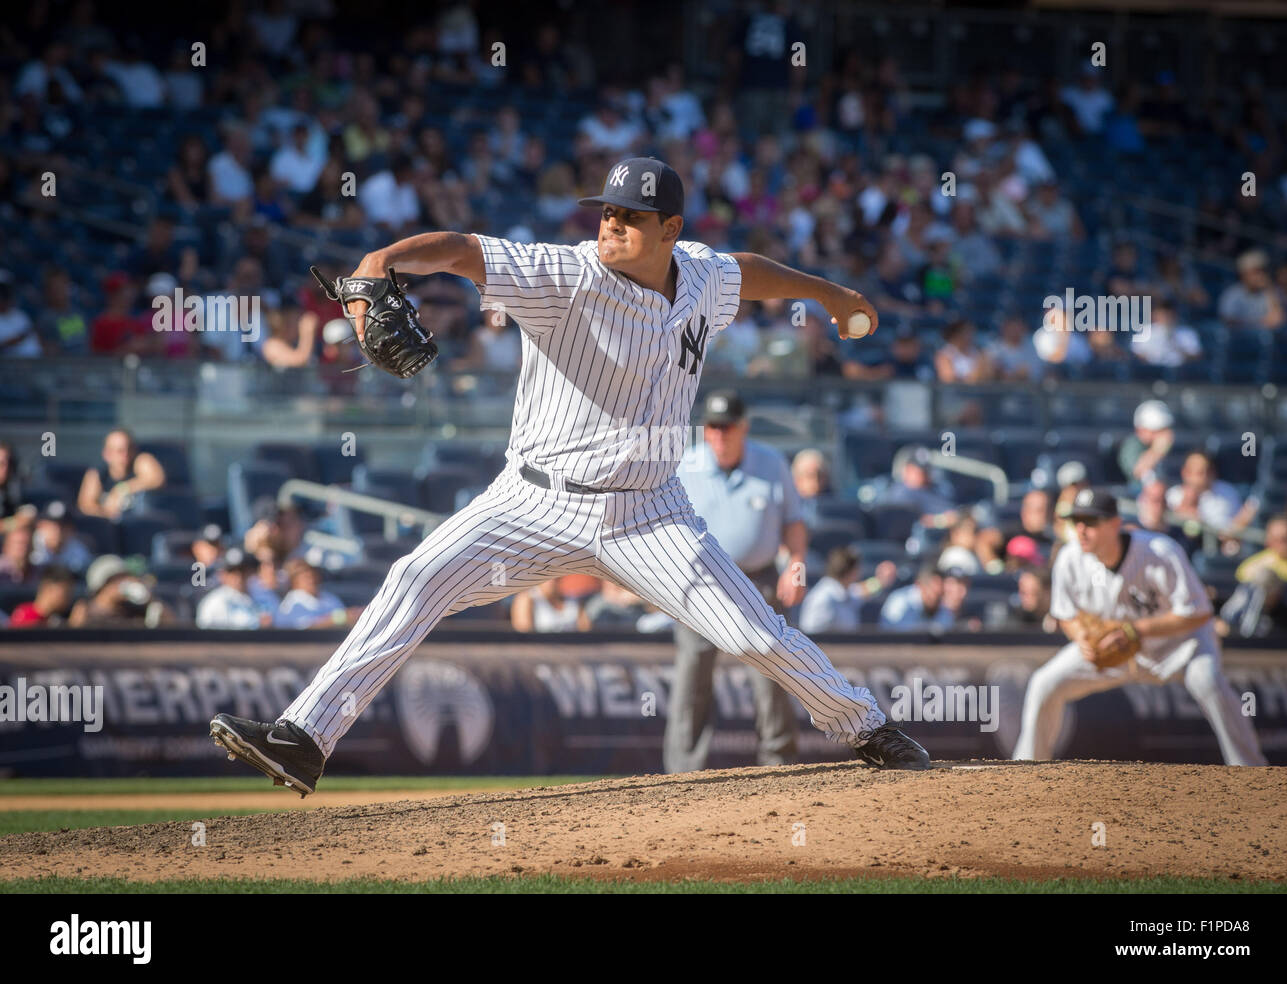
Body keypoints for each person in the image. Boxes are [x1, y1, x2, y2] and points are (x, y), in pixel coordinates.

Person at [210, 155, 929, 797]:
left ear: (671, 228)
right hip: (532, 502)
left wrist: (830, 294)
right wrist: (380, 260)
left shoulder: (703, 276)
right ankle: (304, 738)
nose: (611, 224)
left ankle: (866, 728)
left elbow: (752, 270)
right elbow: (460, 251)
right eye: (607, 210)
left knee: (755, 637)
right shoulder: (565, 275)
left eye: (631, 216)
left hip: (652, 513)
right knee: (413, 579)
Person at [1012, 490, 1266, 766]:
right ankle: (1027, 770)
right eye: (1077, 521)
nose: (1081, 529)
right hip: (1115, 648)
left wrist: (1137, 629)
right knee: (1044, 683)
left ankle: (1250, 768)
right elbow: (1065, 614)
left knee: (1208, 682)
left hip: (1179, 647)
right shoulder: (1070, 558)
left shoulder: (1160, 552)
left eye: (1090, 521)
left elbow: (1198, 612)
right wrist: (1081, 637)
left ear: (1114, 524)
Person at [664, 390, 806, 773]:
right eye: (713, 425)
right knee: (693, 673)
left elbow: (794, 521)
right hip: (699, 583)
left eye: (727, 426)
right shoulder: (683, 464)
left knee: (772, 669)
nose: (720, 433)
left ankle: (779, 762)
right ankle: (683, 771)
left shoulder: (771, 462)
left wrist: (796, 564)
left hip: (756, 579)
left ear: (743, 427)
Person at [77, 429, 166, 520]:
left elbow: (156, 478)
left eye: (129, 449)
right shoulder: (97, 473)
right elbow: (86, 505)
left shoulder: (140, 461)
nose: (125, 454)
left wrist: (121, 489)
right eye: (120, 451)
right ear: (106, 454)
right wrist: (108, 514)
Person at [196, 548, 270, 630]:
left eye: (243, 571)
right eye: (232, 572)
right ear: (222, 575)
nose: (239, 576)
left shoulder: (265, 596)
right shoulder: (214, 602)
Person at [800, 546, 866, 634]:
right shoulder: (822, 599)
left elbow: (863, 590)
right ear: (851, 571)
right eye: (857, 568)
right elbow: (812, 637)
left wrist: (880, 581)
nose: (860, 572)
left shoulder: (846, 591)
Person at [275, 559, 357, 629]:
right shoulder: (290, 603)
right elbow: (304, 628)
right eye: (306, 578)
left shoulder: (329, 597)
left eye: (313, 576)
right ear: (295, 582)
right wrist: (336, 619)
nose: (312, 580)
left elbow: (346, 618)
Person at [1217, 250, 1285, 331]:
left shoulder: (1269, 292)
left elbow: (1278, 319)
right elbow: (1227, 320)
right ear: (1244, 273)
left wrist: (1269, 289)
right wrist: (1258, 322)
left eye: (1263, 271)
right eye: (1256, 271)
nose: (1261, 275)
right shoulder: (1232, 294)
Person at [1118, 399, 1175, 486]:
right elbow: (1138, 472)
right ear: (1140, 429)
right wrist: (1158, 449)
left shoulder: (1169, 446)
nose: (1163, 435)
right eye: (1156, 430)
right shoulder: (1132, 445)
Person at [880, 564, 954, 631]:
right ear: (919, 585)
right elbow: (889, 633)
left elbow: (947, 627)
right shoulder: (898, 601)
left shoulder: (943, 606)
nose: (936, 598)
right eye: (933, 592)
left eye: (940, 593)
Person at [510, 577, 592, 632]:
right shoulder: (527, 599)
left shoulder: (574, 601)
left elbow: (586, 629)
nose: (552, 580)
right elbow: (524, 635)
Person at [30, 500, 93, 573]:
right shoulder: (27, 545)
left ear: (71, 530)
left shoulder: (79, 551)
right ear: (40, 526)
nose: (57, 531)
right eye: (52, 525)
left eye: (63, 526)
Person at [8, 565, 75, 627]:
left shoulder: (58, 618)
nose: (68, 598)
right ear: (48, 588)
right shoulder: (24, 615)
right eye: (66, 593)